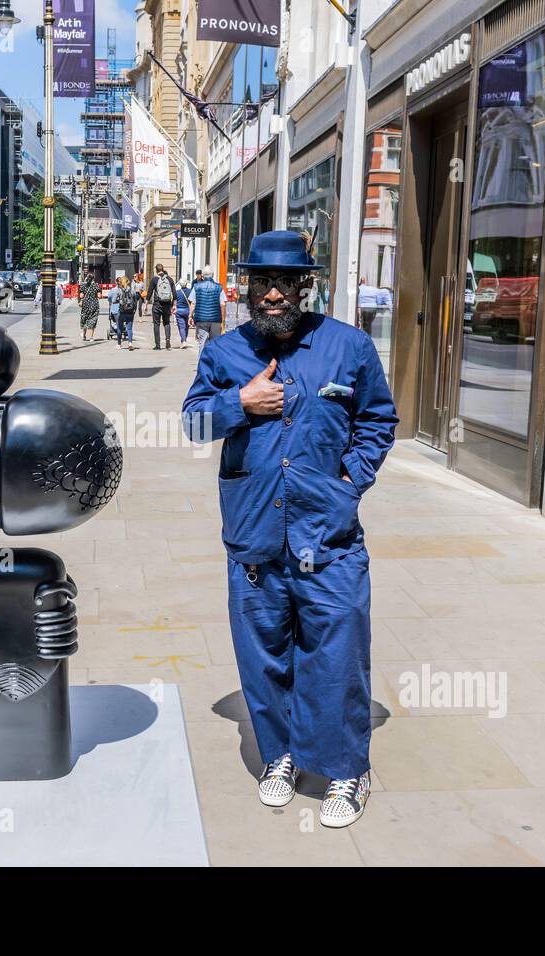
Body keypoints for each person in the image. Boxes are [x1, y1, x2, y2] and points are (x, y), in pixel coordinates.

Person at [181, 231, 398, 828]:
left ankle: (346, 769)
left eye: (285, 282)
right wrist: (240, 405)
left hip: (327, 538)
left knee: (337, 654)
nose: (273, 293)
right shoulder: (224, 354)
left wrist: (347, 484)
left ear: (306, 284)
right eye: (262, 283)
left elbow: (378, 421)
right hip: (254, 534)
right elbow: (195, 426)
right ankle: (279, 756)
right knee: (263, 655)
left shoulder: (348, 347)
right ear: (247, 287)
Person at [189, 266, 227, 345]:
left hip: (201, 319)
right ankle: (212, 357)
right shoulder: (219, 287)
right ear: (212, 275)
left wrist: (190, 316)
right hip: (215, 320)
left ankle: (203, 357)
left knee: (202, 344)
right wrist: (223, 319)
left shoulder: (196, 287)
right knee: (215, 344)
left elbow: (193, 303)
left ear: (202, 275)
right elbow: (223, 304)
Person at [147, 263, 177, 350]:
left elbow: (149, 292)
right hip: (167, 305)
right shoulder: (170, 279)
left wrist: (145, 304)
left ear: (156, 271)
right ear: (163, 269)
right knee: (167, 323)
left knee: (156, 324)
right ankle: (167, 339)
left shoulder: (154, 280)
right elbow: (174, 294)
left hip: (157, 305)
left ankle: (158, 345)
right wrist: (174, 305)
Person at [110, 275, 138, 351]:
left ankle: (119, 344)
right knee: (129, 328)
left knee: (119, 328)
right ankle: (130, 343)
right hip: (130, 311)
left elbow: (113, 300)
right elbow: (135, 301)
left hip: (121, 311)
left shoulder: (118, 290)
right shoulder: (132, 290)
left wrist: (119, 301)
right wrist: (134, 310)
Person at [78, 271, 101, 341]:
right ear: (93, 278)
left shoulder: (83, 285)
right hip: (94, 305)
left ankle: (84, 336)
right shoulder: (96, 285)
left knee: (85, 319)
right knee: (93, 320)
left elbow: (81, 296)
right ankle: (91, 337)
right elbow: (99, 296)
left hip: (86, 305)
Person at [173, 277, 192, 349]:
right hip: (188, 310)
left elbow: (174, 302)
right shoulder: (190, 291)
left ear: (180, 285)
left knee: (181, 327)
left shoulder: (177, 292)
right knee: (187, 327)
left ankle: (183, 341)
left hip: (179, 311)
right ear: (186, 284)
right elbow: (192, 302)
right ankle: (184, 339)